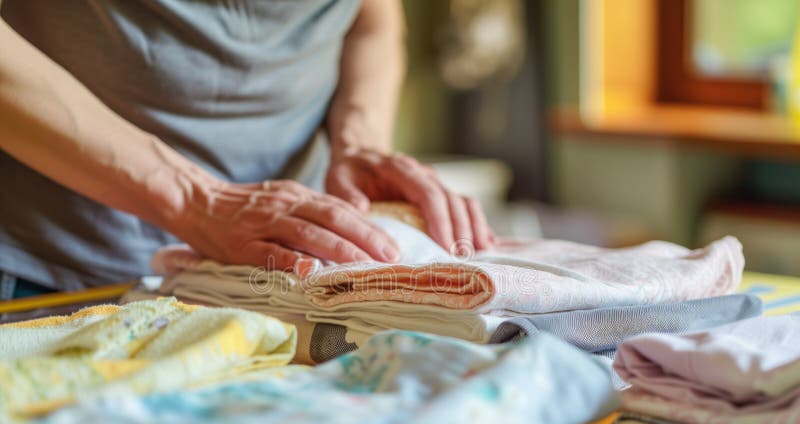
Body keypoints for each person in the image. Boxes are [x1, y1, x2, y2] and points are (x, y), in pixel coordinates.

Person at [0, 0, 494, 299]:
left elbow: (372, 19)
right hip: (54, 267)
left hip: (285, 282)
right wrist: (194, 199)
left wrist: (359, 140)